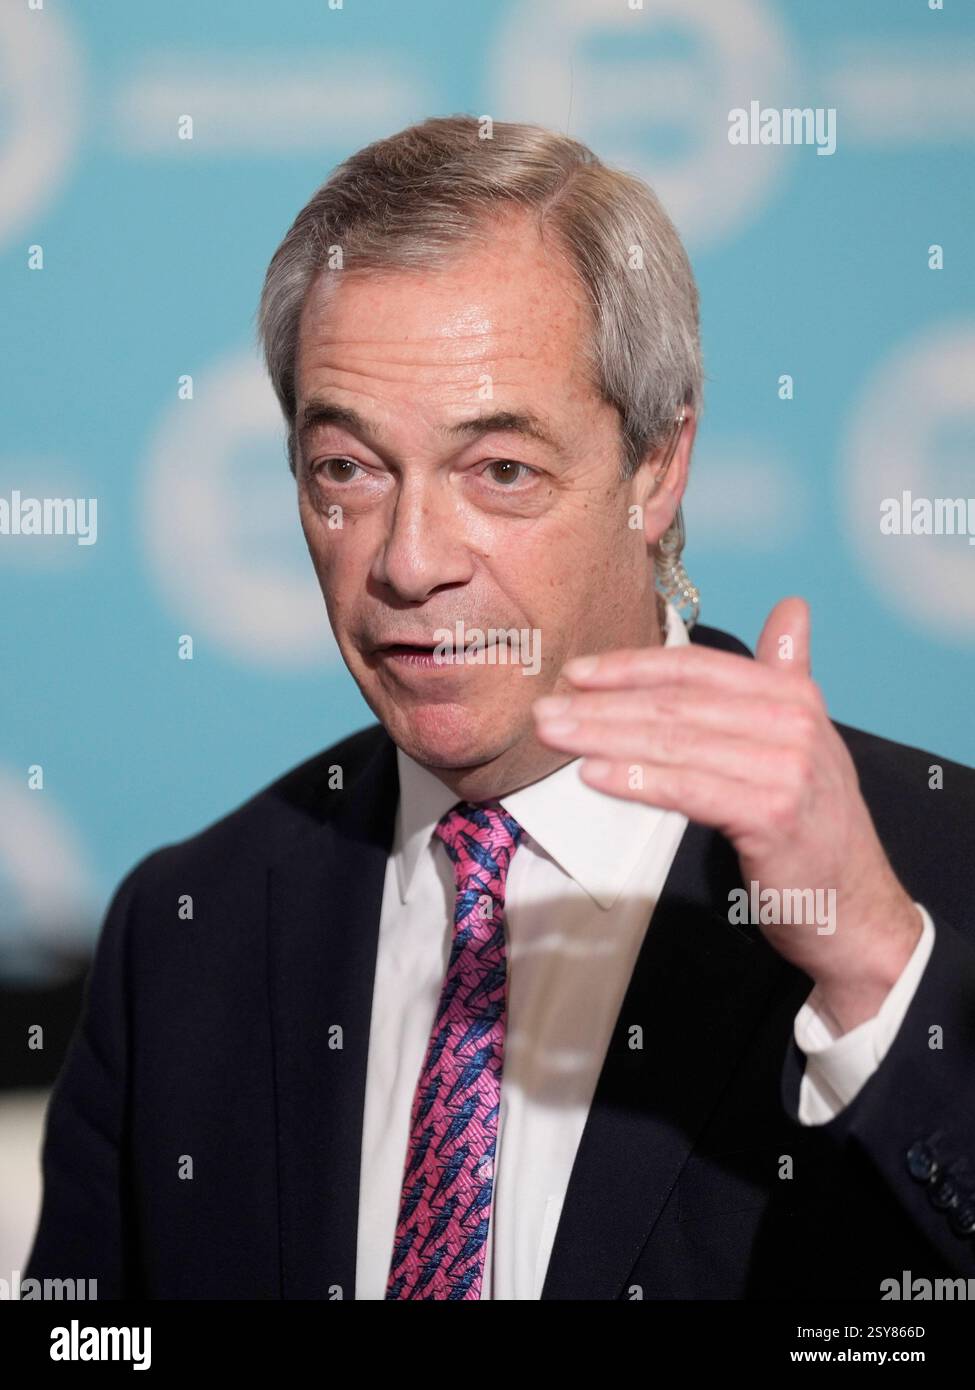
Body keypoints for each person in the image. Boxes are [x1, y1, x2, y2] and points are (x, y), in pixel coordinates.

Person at [25, 115, 975, 1300]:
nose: (410, 561)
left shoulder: (937, 874)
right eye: (348, 470)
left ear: (656, 466)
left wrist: (877, 970)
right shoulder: (187, 933)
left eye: (501, 471)